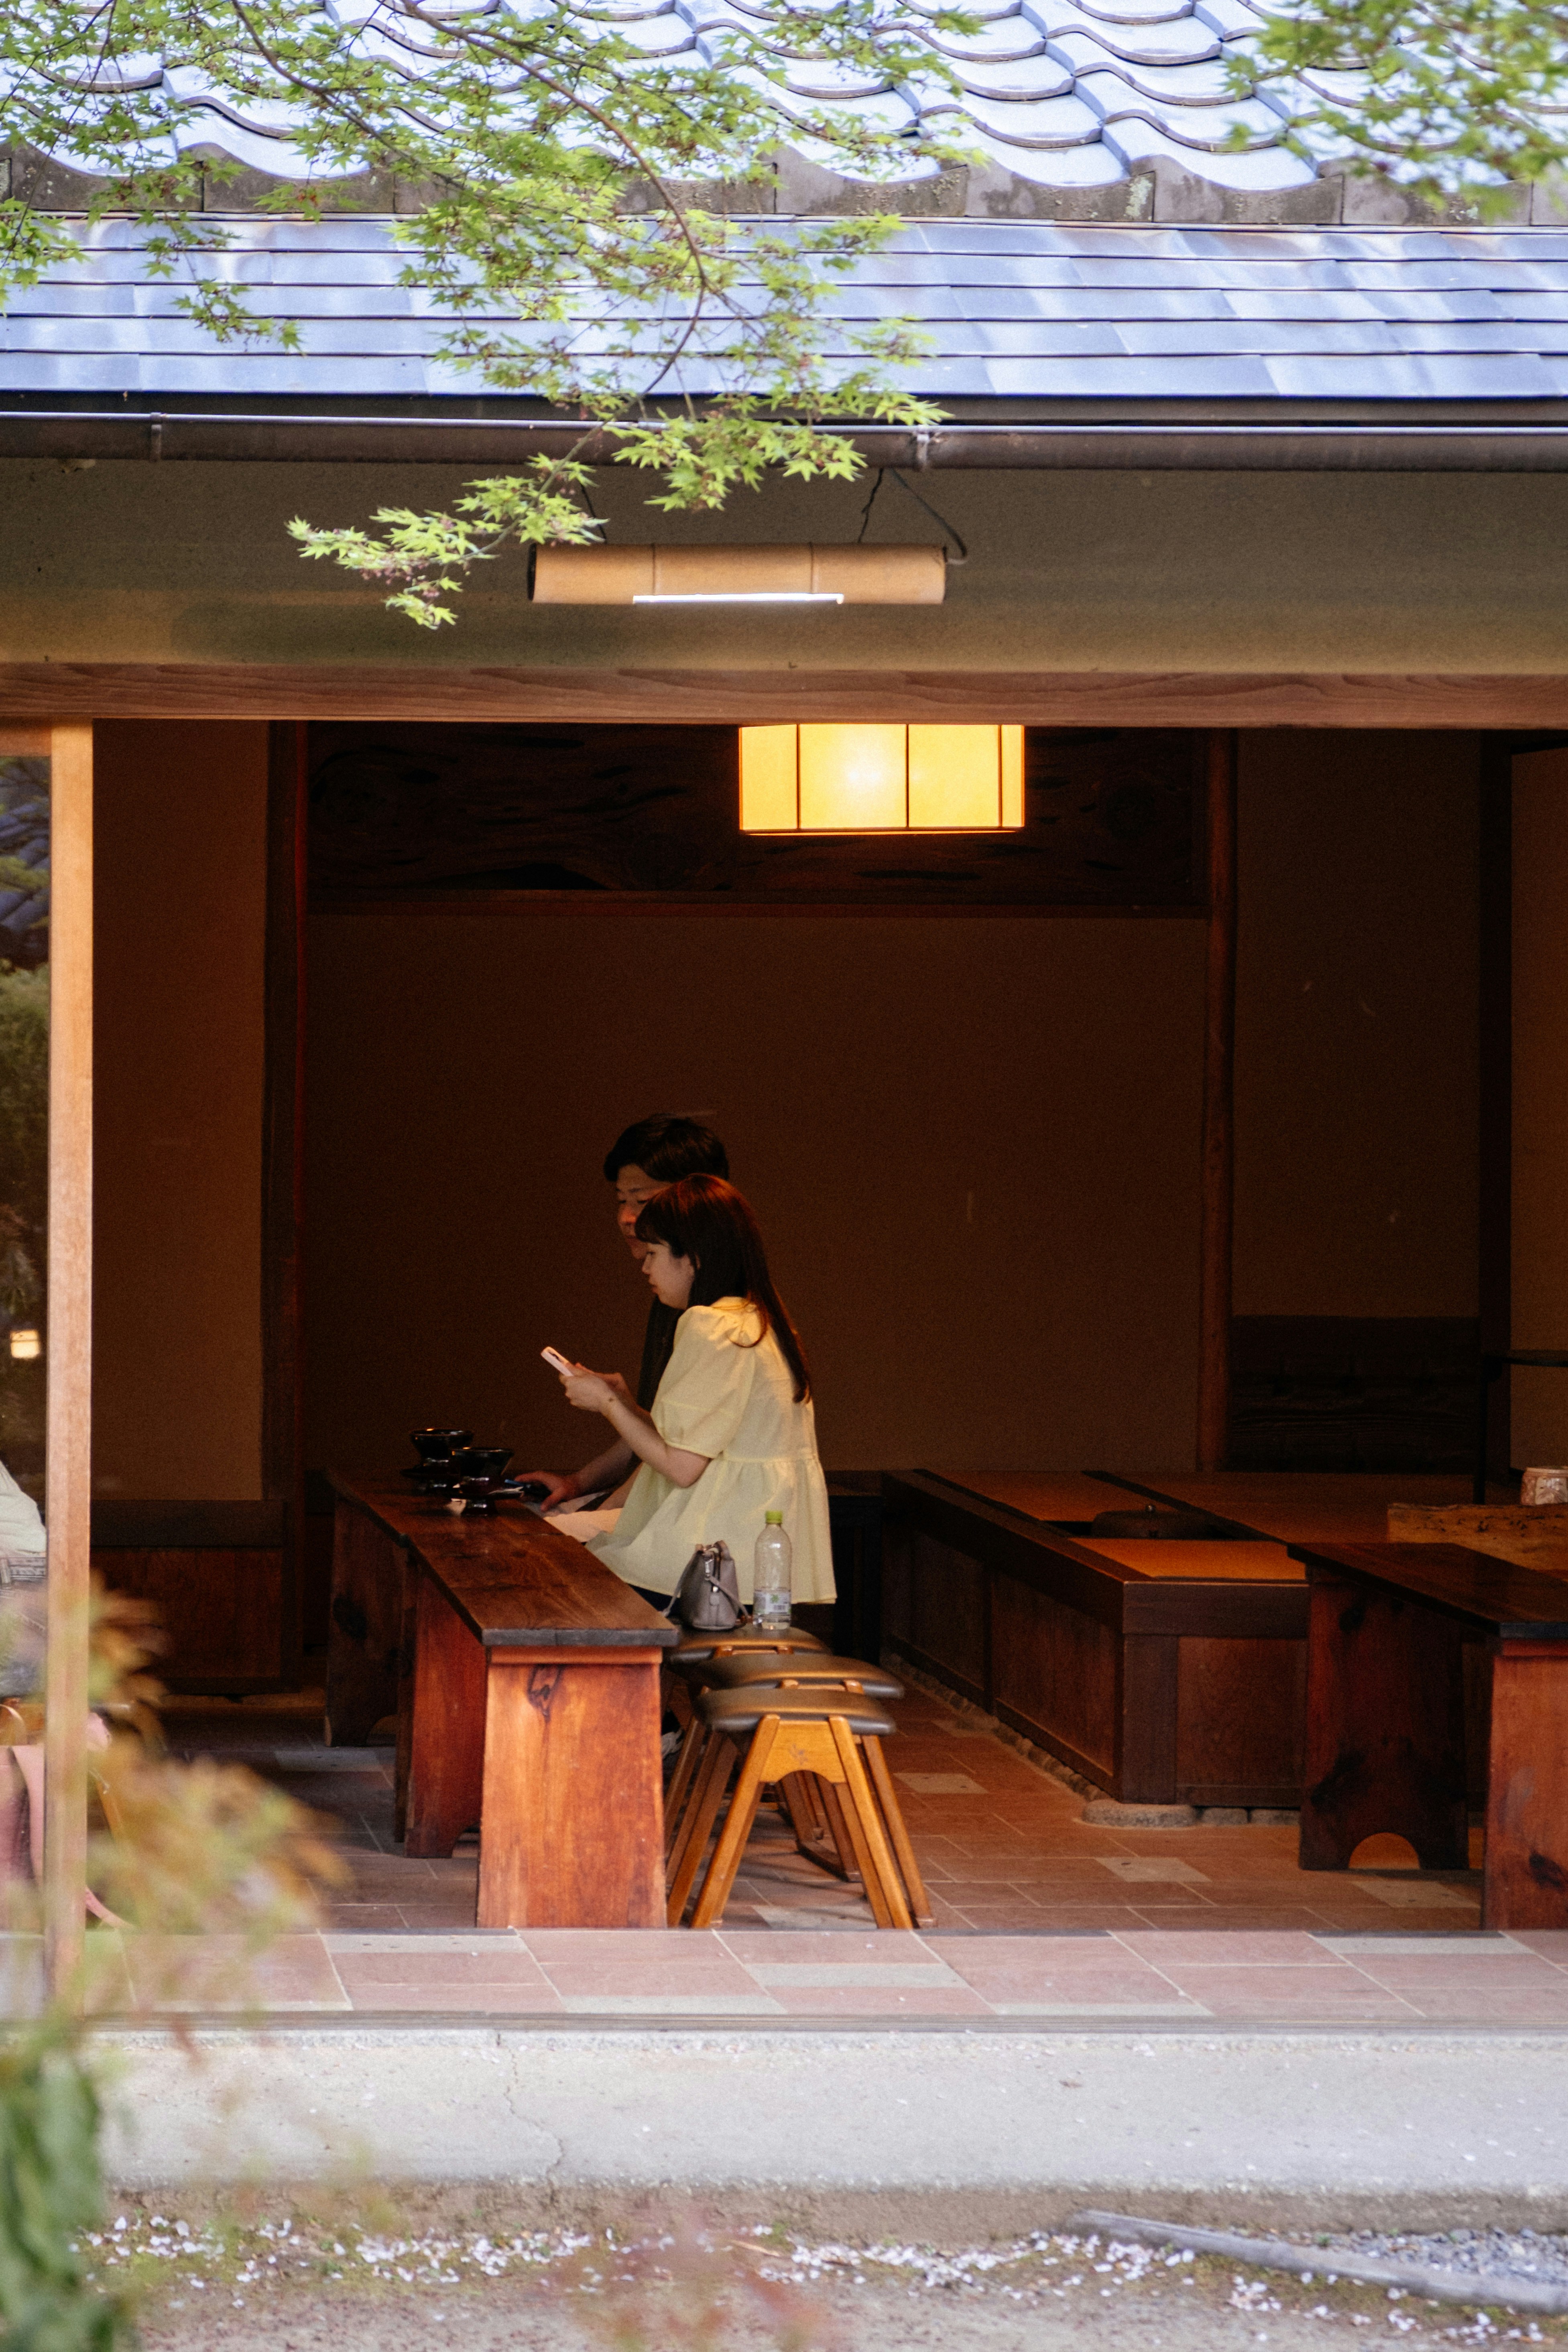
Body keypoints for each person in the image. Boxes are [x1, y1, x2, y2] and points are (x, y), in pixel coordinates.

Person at [553, 1175, 835, 1604]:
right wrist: (628, 1402)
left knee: (548, 1564)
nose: (645, 1267)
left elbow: (682, 1466)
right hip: (751, 1557)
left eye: (654, 1252)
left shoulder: (711, 1325)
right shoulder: (756, 1319)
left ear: (695, 1258)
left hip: (706, 1560)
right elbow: (698, 1444)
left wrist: (608, 1404)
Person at [519, 1114, 729, 1511]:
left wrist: (595, 1517)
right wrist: (578, 1483)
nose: (626, 1217)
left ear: (697, 1204)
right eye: (621, 1200)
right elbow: (658, 1434)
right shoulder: (672, 1300)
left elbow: (681, 1464)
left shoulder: (715, 1319)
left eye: (643, 1200)